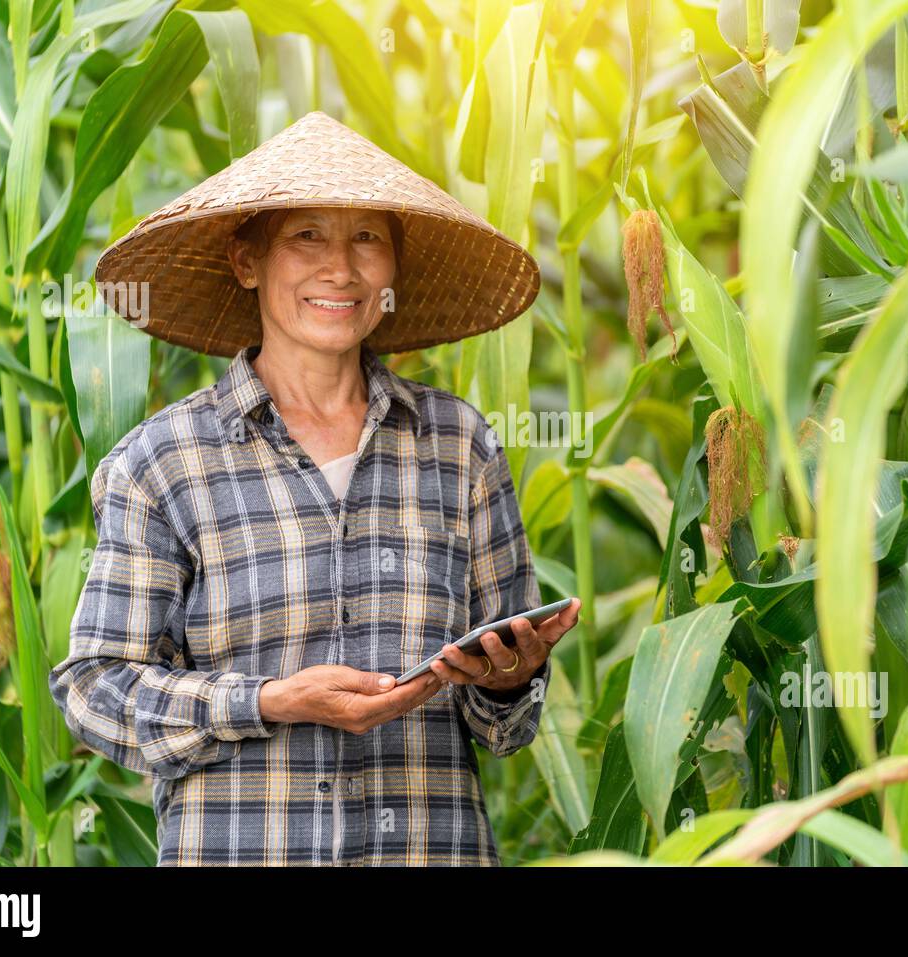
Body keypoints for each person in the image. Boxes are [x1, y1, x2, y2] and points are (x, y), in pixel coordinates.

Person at [50, 110, 580, 866]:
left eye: (368, 237)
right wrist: (268, 700)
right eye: (307, 236)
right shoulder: (166, 461)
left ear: (393, 265)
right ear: (246, 261)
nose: (342, 267)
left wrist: (509, 678)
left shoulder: (459, 444)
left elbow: (506, 727)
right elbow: (93, 692)